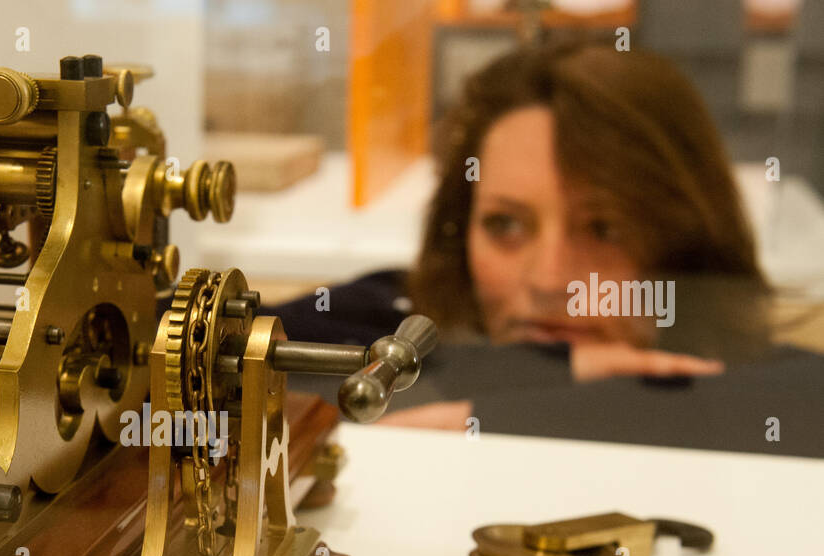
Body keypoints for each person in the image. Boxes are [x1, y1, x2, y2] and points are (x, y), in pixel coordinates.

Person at [271, 40, 824, 457]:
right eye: (505, 225)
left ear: (688, 244)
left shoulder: (758, 385)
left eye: (605, 229)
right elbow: (208, 369)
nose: (550, 279)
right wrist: (524, 374)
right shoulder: (386, 313)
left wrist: (488, 411)